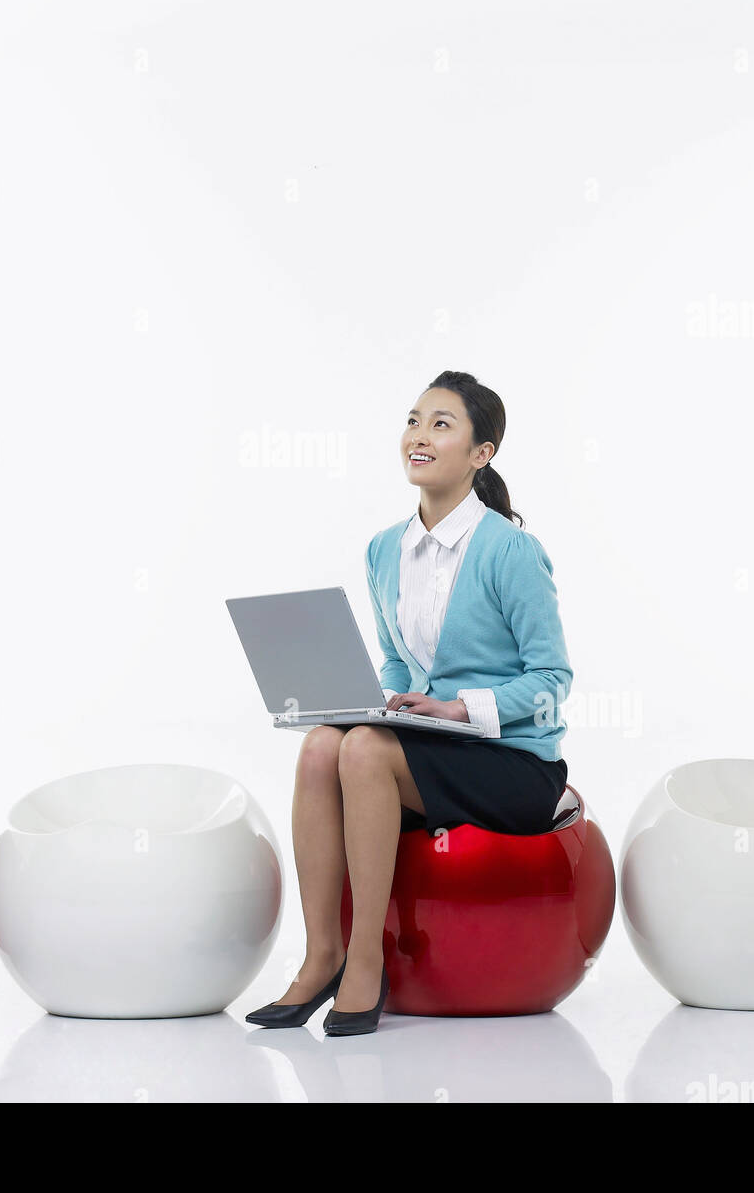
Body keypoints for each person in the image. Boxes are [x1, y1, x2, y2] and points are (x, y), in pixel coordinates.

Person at [245, 369, 573, 1036]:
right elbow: (398, 657)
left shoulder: (511, 552)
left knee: (363, 750)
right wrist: (389, 698)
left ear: (483, 454)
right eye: (414, 420)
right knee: (321, 746)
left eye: (441, 424)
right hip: (433, 746)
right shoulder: (383, 550)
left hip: (514, 764)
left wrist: (460, 709)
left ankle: (366, 960)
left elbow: (552, 678)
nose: (419, 436)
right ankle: (322, 955)